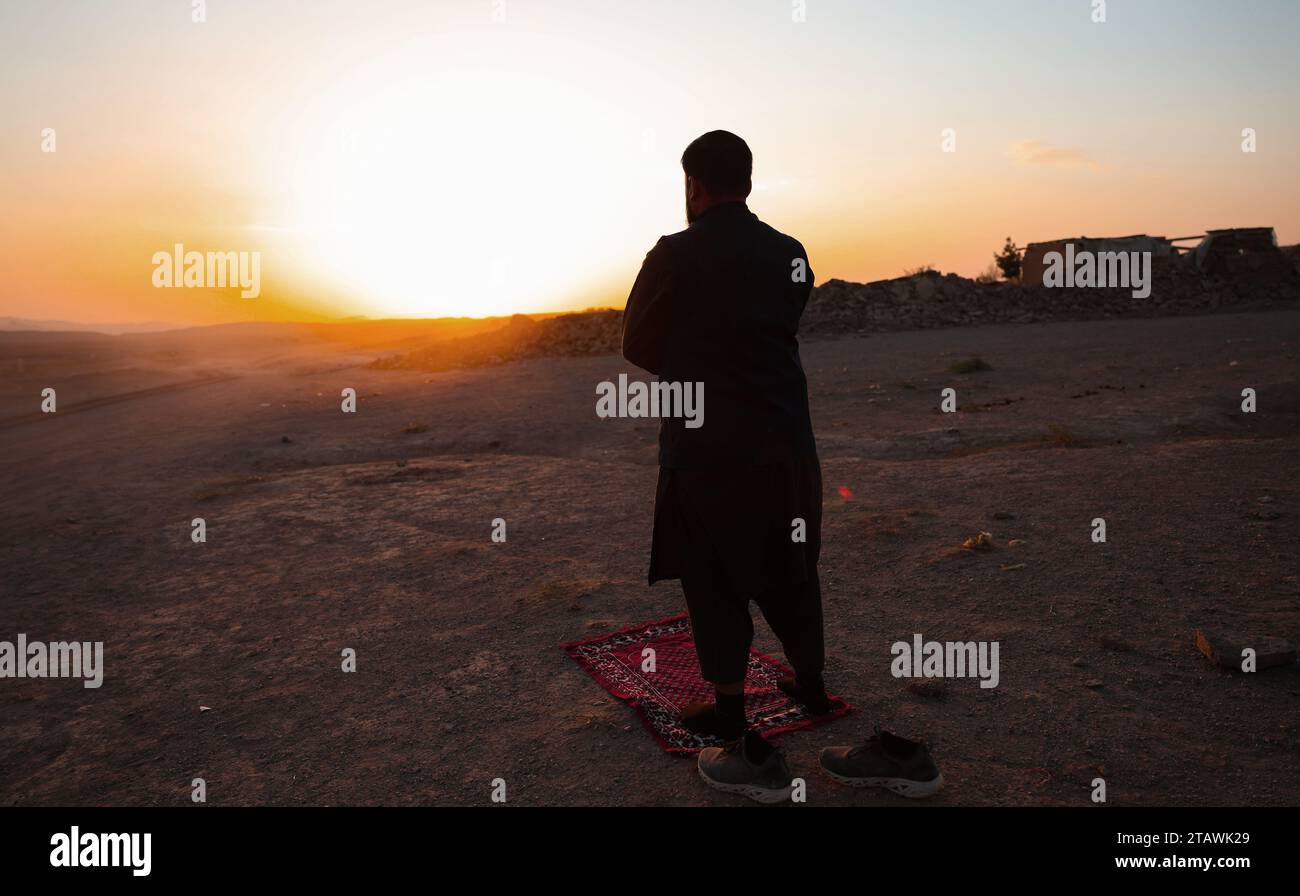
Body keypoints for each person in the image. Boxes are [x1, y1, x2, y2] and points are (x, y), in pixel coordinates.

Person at [622, 130, 828, 801]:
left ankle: (732, 716)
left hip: (706, 451)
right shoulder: (792, 253)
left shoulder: (674, 255)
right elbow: (785, 321)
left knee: (714, 579)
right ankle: (811, 682)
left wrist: (694, 362)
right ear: (747, 179)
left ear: (693, 186)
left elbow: (638, 344)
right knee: (792, 565)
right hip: (786, 444)